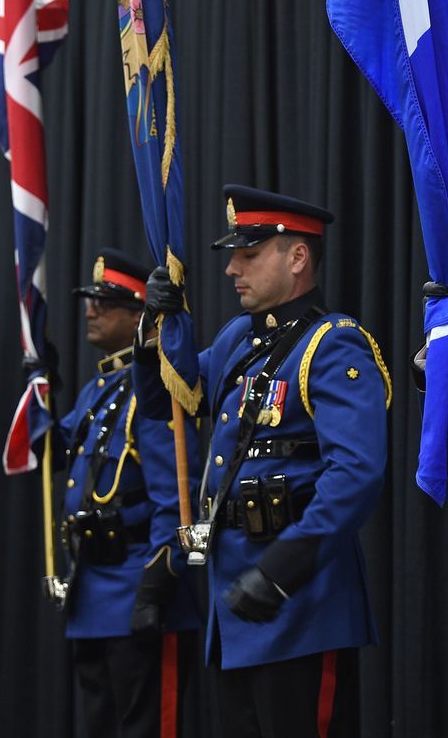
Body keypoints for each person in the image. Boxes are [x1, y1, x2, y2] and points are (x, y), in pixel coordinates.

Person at [135, 185, 391, 737]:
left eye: (248, 255)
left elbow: (355, 474)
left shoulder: (333, 345)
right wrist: (153, 331)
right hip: (235, 602)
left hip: (301, 601)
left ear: (297, 257)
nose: (231, 268)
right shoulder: (236, 340)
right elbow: (167, 402)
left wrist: (280, 571)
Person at [56, 248, 201, 737]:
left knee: (143, 727)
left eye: (106, 301)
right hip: (91, 587)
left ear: (140, 313)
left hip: (136, 588)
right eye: (91, 300)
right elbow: (55, 452)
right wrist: (39, 386)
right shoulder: (97, 390)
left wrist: (159, 578)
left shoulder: (154, 389)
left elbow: (174, 493)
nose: (91, 310)